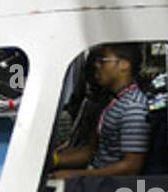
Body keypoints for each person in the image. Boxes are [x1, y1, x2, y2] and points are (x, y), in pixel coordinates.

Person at [50, 44, 148, 180]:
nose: (96, 65)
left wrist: (75, 176)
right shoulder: (112, 101)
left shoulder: (133, 107)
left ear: (124, 64)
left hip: (110, 188)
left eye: (103, 61)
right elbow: (90, 151)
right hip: (95, 177)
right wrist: (52, 160)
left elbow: (130, 167)